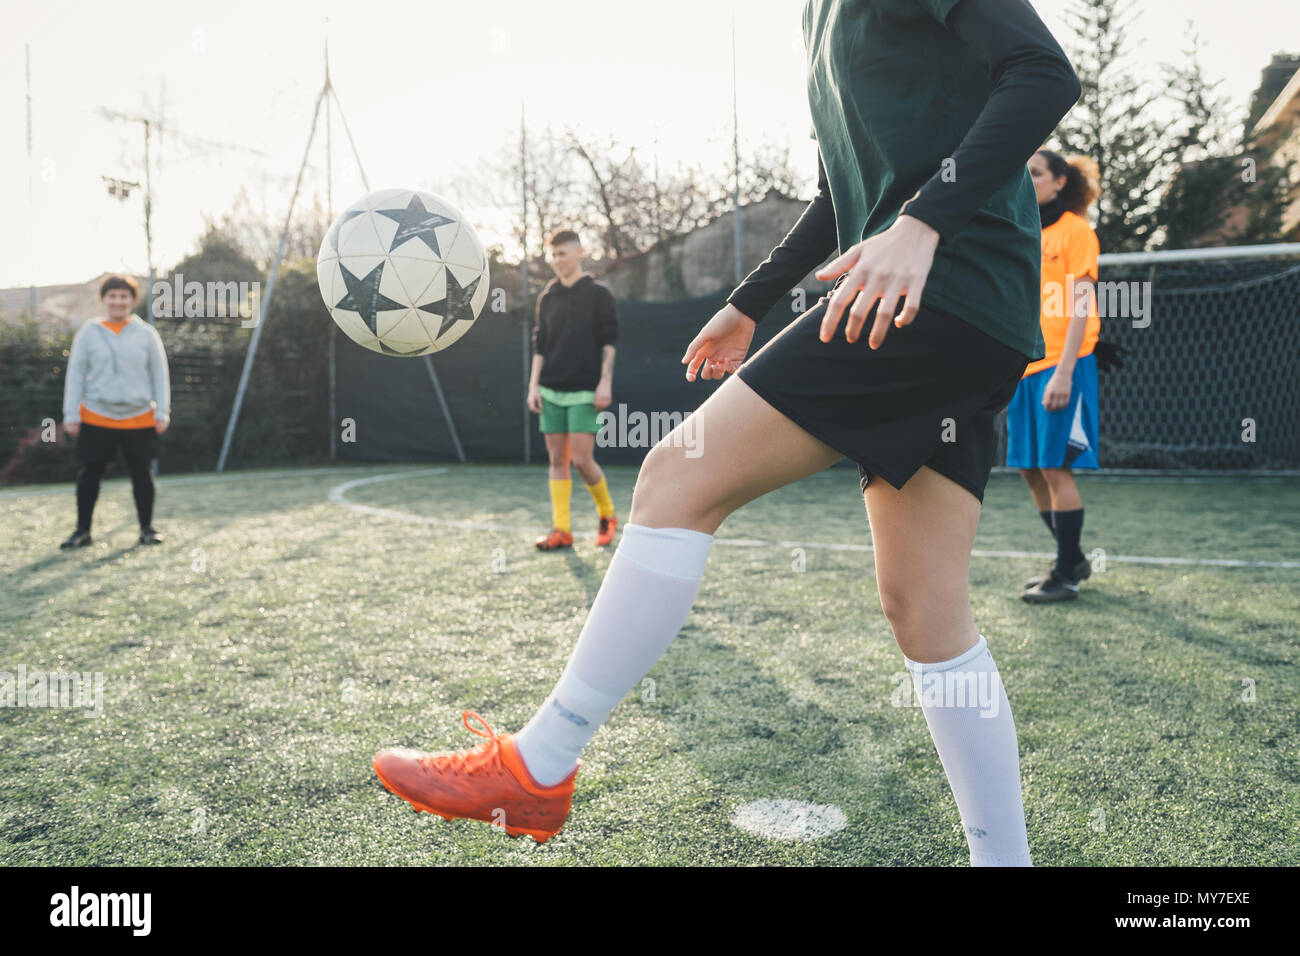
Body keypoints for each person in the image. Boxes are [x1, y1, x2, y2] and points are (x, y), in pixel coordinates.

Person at [373, 0, 1080, 866]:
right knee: (926, 611)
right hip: (963, 314)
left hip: (937, 291)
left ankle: (540, 764)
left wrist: (925, 225)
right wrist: (750, 300)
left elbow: (1043, 71)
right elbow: (841, 195)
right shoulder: (820, 24)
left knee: (675, 475)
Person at [1010, 150, 1102, 603]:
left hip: (1064, 366)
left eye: (1036, 173)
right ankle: (1073, 559)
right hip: (1025, 368)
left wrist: (1065, 373)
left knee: (1054, 467)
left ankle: (1065, 574)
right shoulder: (1023, 231)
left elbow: (1082, 303)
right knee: (1029, 469)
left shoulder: (1077, 231)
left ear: (1060, 181)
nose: (1028, 180)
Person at [60, 275, 170, 549]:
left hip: (140, 417)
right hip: (97, 416)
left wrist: (162, 411)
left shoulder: (146, 333)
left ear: (132, 300)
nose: (118, 301)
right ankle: (82, 531)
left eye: (124, 296)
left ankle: (147, 530)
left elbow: (159, 374)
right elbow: (75, 373)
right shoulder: (89, 332)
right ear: (104, 299)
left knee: (142, 474)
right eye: (113, 296)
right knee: (89, 472)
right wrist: (70, 413)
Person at [527, 229, 620, 551]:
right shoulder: (547, 297)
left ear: (579, 252)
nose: (557, 261)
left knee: (581, 459)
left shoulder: (598, 294)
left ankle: (607, 515)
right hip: (550, 389)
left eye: (562, 253)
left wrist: (604, 383)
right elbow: (540, 345)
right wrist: (533, 386)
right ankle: (562, 530)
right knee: (557, 459)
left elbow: (609, 343)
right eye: (553, 255)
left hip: (584, 390)